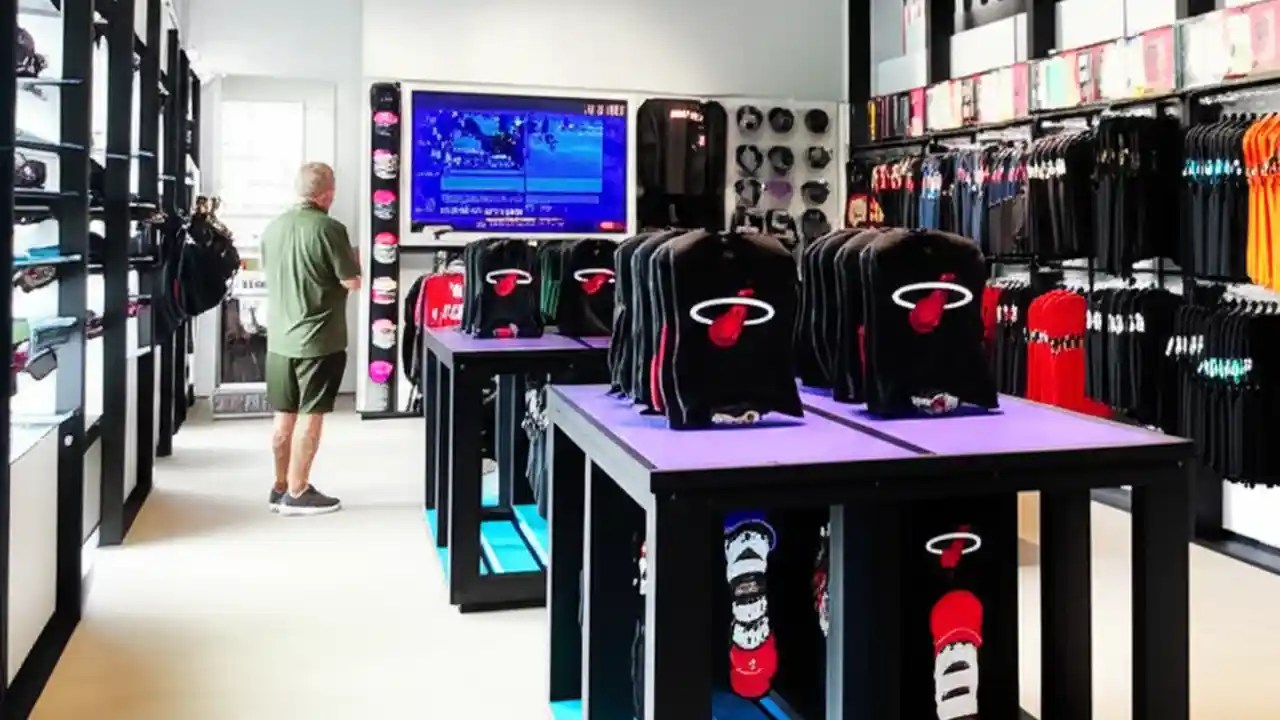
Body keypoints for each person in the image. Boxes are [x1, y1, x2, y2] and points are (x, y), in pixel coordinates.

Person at [261, 162, 361, 516]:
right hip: (319, 341)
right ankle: (299, 491)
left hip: (278, 342)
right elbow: (351, 281)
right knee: (311, 415)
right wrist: (356, 261)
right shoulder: (330, 229)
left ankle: (280, 487)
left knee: (283, 416)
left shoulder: (273, 228)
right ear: (328, 194)